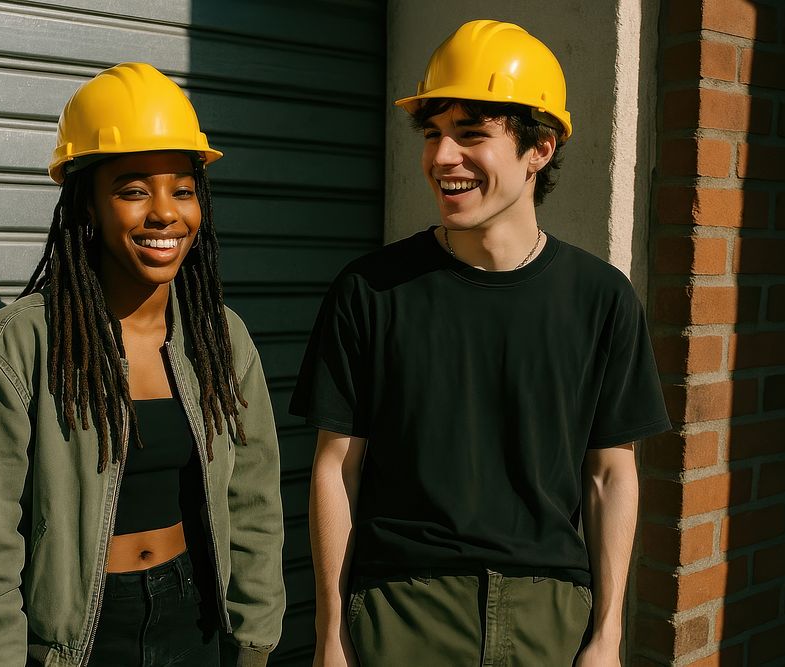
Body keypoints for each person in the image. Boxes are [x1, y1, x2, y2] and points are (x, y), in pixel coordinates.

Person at [290, 20, 670, 667]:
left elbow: (611, 474)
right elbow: (337, 468)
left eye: (471, 134)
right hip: (403, 612)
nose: (442, 158)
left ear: (540, 148)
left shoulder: (602, 300)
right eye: (434, 133)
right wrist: (331, 633)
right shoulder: (370, 291)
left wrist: (607, 635)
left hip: (548, 617)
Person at [0, 62, 285, 667]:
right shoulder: (20, 347)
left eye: (183, 187)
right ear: (88, 203)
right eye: (133, 189)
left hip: (195, 614)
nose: (166, 213)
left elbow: (252, 502)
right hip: (79, 642)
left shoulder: (220, 337)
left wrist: (253, 639)